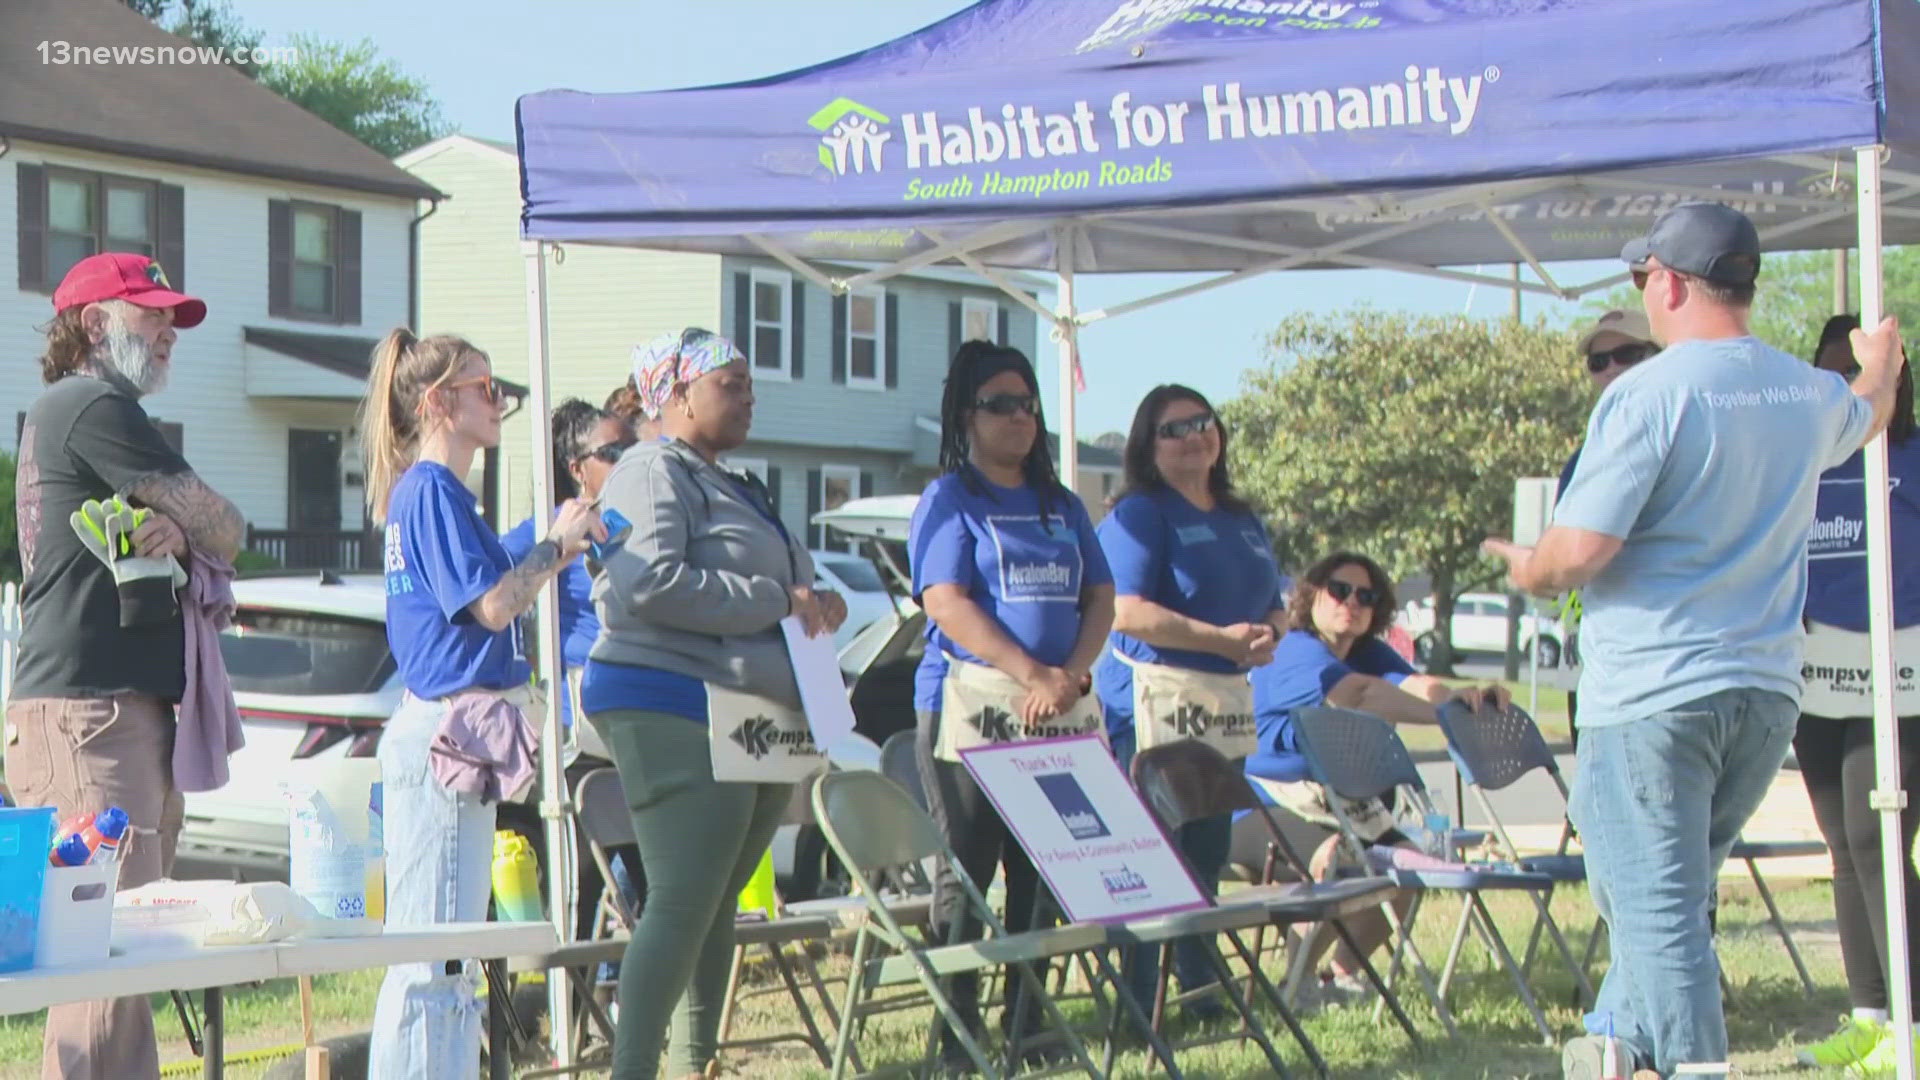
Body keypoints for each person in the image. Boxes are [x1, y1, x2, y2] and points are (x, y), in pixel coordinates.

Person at [1481, 201, 1905, 1078]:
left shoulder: (1649, 393)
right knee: (1653, 898)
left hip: (1652, 694)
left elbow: (1582, 552)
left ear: (1670, 284)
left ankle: (1688, 1066)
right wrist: (1882, 363)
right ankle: (1616, 1048)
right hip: (1765, 696)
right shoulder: (1804, 389)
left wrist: (1528, 566)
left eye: (1644, 278)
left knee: (1657, 908)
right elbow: (1868, 412)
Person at [584, 327, 843, 1080]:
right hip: (669, 698)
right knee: (684, 896)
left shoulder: (733, 482)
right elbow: (648, 582)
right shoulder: (649, 470)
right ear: (675, 393)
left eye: (750, 384)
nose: (749, 396)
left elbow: (781, 587)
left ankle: (695, 1065)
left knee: (717, 902)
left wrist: (817, 603)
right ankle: (632, 1070)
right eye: (730, 382)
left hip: (748, 716)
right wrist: (773, 600)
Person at [9, 252, 244, 1080]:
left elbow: (197, 530)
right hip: (90, 717)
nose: (169, 330)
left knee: (118, 964)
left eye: (171, 316)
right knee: (104, 968)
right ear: (94, 323)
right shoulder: (92, 403)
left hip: (100, 715)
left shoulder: (71, 411)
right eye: (151, 313)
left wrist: (179, 533)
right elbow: (227, 523)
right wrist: (194, 528)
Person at [359, 328, 604, 1079]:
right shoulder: (430, 489)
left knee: (445, 958)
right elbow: (494, 605)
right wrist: (557, 547)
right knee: (432, 960)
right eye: (484, 388)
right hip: (444, 736)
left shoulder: (435, 494)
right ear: (437, 402)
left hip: (454, 737)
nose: (498, 403)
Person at [910, 340, 1114, 1065]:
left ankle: (1028, 1022)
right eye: (1001, 405)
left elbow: (1099, 595)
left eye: (1028, 404)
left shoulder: (1060, 503)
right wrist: (1031, 670)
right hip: (969, 706)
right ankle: (955, 1033)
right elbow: (946, 602)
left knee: (1046, 865)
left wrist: (1069, 675)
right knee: (967, 871)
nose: (1020, 417)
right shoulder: (949, 499)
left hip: (1056, 704)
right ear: (967, 415)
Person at [1093, 383, 1284, 1019]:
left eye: (1203, 422)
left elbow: (1275, 602)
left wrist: (1269, 633)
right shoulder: (1139, 514)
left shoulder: (1241, 516)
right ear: (1148, 446)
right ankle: (1139, 1003)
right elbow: (1125, 610)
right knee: (1155, 853)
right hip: (1153, 706)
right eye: (1174, 428)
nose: (1193, 435)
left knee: (1208, 849)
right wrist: (1220, 639)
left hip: (1224, 702)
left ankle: (1200, 991)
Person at [1245, 552, 1504, 995]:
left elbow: (1417, 685)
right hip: (1265, 805)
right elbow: (1358, 695)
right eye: (1340, 591)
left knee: (1415, 863)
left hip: (1336, 803)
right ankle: (1297, 984)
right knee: (1342, 855)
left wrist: (1462, 699)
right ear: (1311, 596)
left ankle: (1341, 974)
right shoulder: (1296, 648)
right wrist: (1444, 717)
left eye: (1366, 595)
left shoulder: (1364, 651)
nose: (1352, 602)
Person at [1790, 314, 1920, 1076]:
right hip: (1817, 672)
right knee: (1843, 846)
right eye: (1832, 373)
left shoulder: (1908, 456)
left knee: (1878, 836)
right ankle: (1870, 1016)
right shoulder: (1804, 461)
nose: (1848, 386)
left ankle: (1910, 1020)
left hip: (1899, 670)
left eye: (1862, 370)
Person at [500, 398, 639, 938]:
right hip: (582, 728)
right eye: (613, 452)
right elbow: (493, 572)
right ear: (578, 467)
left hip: (642, 716)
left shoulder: (639, 521)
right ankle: (575, 1011)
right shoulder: (552, 524)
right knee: (583, 881)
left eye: (633, 449)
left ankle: (618, 1002)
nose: (628, 461)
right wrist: (554, 549)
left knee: (638, 884)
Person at [1557, 310, 1661, 749]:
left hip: (1654, 653)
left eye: (1627, 355)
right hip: (1589, 646)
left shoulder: (1680, 433)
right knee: (1592, 788)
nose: (1611, 368)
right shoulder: (1583, 456)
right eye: (1598, 362)